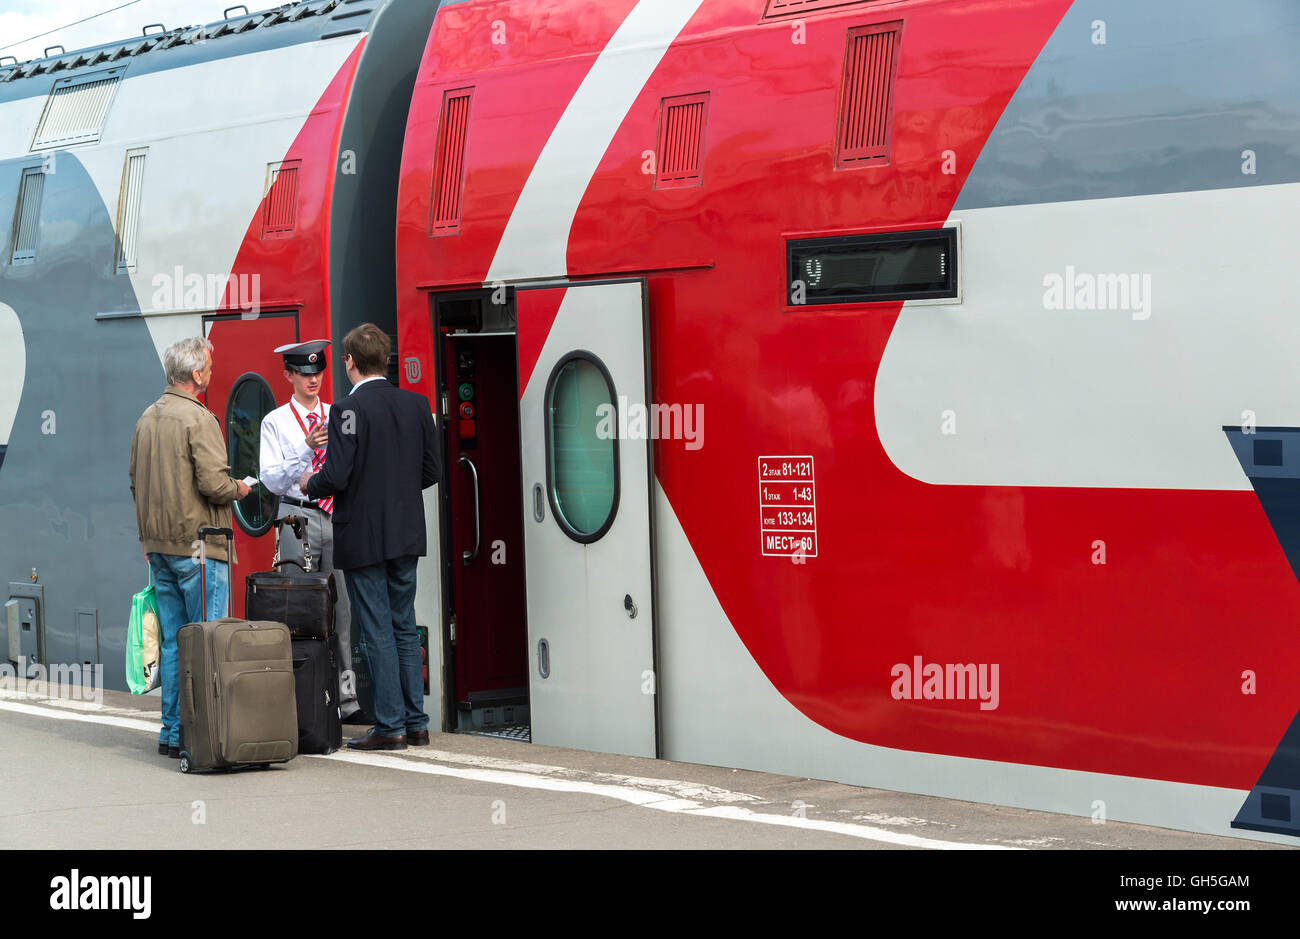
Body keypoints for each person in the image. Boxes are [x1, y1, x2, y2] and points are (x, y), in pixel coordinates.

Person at [302, 323, 441, 750]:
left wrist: (310, 483)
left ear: (349, 362)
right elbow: (431, 471)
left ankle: (389, 726)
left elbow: (338, 475)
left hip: (363, 535)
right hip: (405, 533)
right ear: (386, 360)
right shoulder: (417, 405)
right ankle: (416, 722)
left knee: (376, 627)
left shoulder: (345, 410)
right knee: (403, 624)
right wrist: (395, 493)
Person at [129, 337, 251, 758]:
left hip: (159, 548)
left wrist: (148, 538)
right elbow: (214, 484)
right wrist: (243, 487)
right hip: (201, 548)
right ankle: (204, 736)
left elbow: (135, 482)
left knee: (174, 643)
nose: (212, 373)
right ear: (197, 375)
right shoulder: (199, 419)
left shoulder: (146, 418)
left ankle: (173, 732)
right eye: (210, 368)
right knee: (208, 642)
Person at [258, 339, 363, 723]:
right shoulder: (276, 422)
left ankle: (347, 702)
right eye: (304, 374)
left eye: (317, 372)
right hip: (296, 517)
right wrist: (305, 447)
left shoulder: (338, 414)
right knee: (296, 607)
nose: (313, 380)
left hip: (335, 513)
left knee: (344, 611)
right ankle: (297, 700)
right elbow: (270, 480)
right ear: (289, 375)